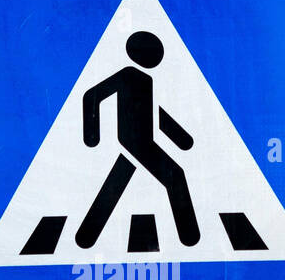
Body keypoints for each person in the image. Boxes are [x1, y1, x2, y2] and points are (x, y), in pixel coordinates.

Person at [76, 30, 200, 248]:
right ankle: (190, 237)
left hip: (140, 141)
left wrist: (181, 138)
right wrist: (91, 136)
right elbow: (92, 96)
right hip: (134, 141)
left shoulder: (145, 79)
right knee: (175, 176)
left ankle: (85, 237)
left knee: (117, 181)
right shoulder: (127, 75)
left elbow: (154, 113)